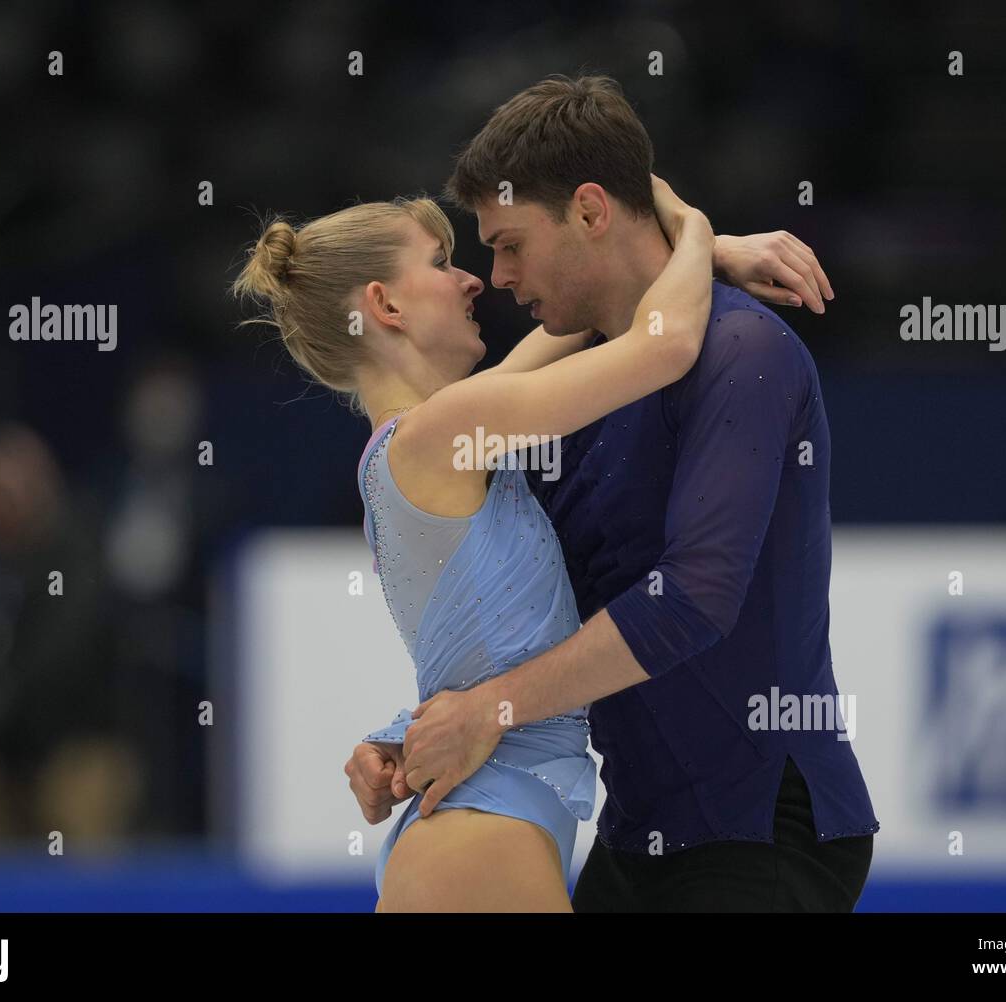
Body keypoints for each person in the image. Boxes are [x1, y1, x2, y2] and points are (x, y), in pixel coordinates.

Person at [346, 74, 880, 912]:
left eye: (511, 243)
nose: (497, 275)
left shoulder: (746, 353)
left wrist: (490, 710)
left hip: (762, 833)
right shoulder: (573, 381)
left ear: (591, 212)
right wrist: (412, 736)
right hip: (641, 836)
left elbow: (694, 598)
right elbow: (527, 619)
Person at [236, 171, 724, 910]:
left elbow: (575, 328)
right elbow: (667, 344)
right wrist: (695, 232)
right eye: (439, 262)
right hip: (479, 839)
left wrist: (399, 737)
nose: (471, 280)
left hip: (479, 830)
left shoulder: (433, 439)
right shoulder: (443, 436)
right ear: (385, 304)